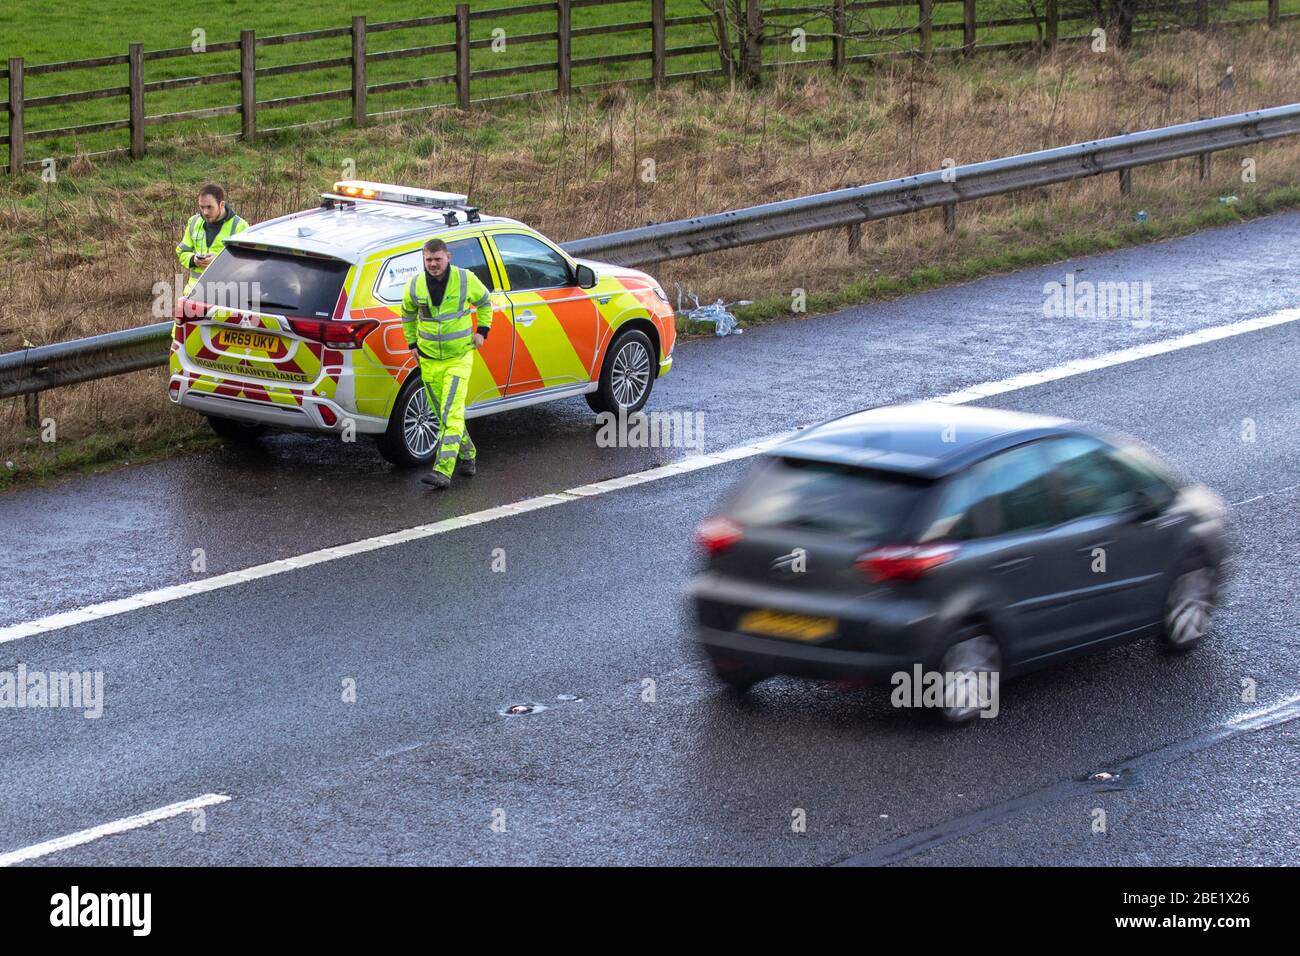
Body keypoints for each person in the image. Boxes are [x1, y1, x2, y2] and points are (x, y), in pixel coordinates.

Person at [401, 237, 493, 490]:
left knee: (451, 412)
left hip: (458, 358)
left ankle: (443, 470)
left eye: (437, 259)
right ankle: (469, 455)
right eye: (428, 259)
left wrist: (482, 331)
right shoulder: (415, 285)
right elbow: (407, 315)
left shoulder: (465, 279)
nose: (433, 264)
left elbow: (485, 302)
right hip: (429, 361)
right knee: (443, 415)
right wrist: (412, 344)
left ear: (448, 257)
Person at [176, 183, 247, 294]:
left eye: (209, 207)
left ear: (221, 204)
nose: (205, 212)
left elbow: (246, 262)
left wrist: (218, 261)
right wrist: (193, 259)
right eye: (202, 207)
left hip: (225, 296)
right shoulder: (194, 222)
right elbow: (182, 251)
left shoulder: (239, 226)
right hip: (193, 294)